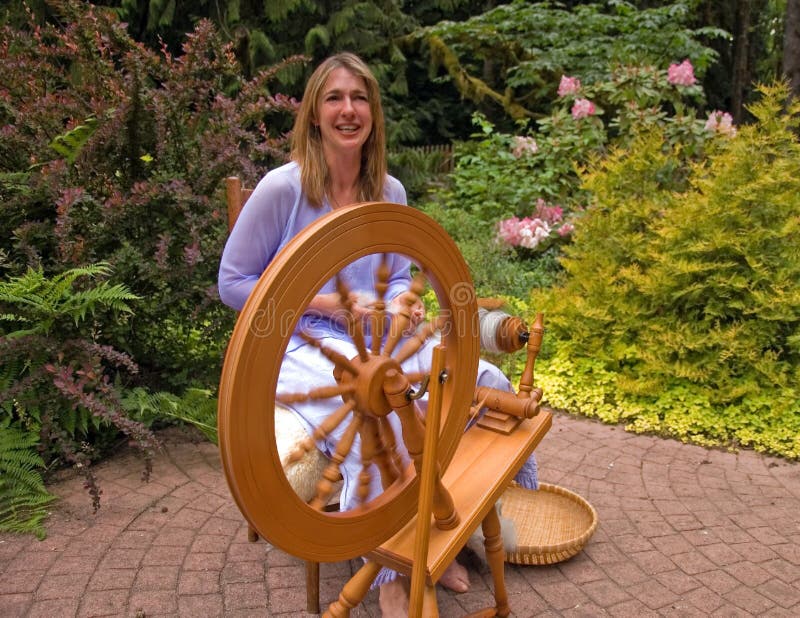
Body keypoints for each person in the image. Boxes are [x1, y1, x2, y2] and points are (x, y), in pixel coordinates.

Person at [218, 52, 537, 617]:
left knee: (479, 378)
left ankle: (441, 531)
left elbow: (391, 281)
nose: (348, 110)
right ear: (314, 113)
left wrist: (397, 309)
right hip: (299, 345)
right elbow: (234, 283)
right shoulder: (283, 189)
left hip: (375, 342)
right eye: (335, 98)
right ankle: (392, 567)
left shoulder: (388, 191)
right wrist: (333, 307)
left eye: (360, 98)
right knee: (384, 401)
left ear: (374, 113)